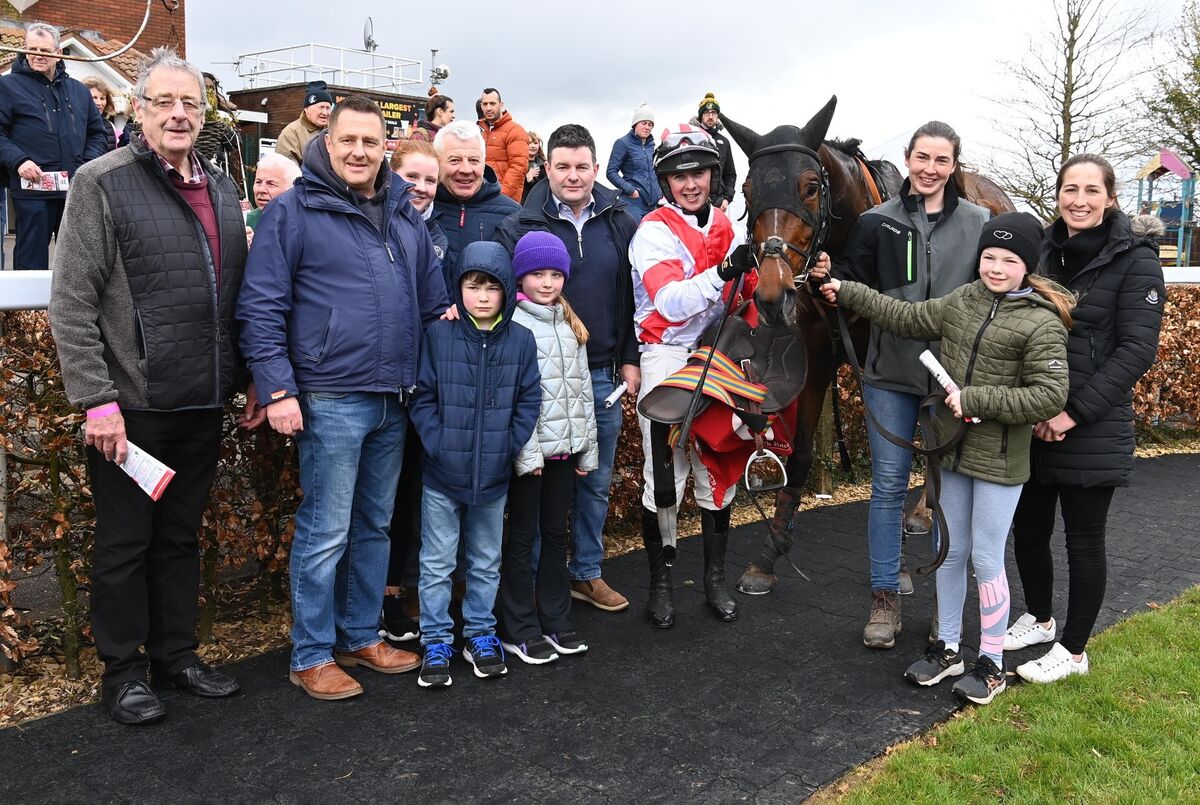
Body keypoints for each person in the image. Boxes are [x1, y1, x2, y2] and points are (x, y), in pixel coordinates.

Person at [48, 47, 252, 726]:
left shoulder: (220, 188)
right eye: (164, 101)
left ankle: (175, 656)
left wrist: (248, 378)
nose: (178, 114)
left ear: (205, 113)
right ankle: (123, 673)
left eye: (190, 102)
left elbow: (234, 296)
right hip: (131, 407)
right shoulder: (100, 181)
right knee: (125, 543)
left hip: (201, 400)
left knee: (180, 539)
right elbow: (72, 301)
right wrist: (96, 400)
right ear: (139, 110)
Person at [237, 95, 450, 701]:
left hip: (394, 397)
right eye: (347, 140)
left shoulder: (404, 214)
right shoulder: (294, 211)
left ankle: (359, 634)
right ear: (326, 143)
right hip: (329, 396)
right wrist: (278, 387)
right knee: (326, 529)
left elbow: (433, 302)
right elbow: (261, 305)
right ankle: (310, 653)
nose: (359, 151)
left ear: (386, 147)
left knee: (373, 526)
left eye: (370, 141)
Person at [821, 212, 1073, 705]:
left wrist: (975, 399)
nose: (996, 268)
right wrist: (847, 290)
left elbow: (1049, 395)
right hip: (952, 453)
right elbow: (906, 317)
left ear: (1027, 265)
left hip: (1000, 461)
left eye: (1009, 260)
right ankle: (949, 649)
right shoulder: (964, 300)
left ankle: (992, 663)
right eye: (988, 257)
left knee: (986, 558)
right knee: (950, 553)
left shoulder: (1042, 322)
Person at [821, 121, 991, 651]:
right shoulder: (876, 221)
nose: (930, 169)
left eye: (941, 160)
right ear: (908, 157)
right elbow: (851, 278)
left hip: (951, 382)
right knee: (889, 488)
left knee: (946, 494)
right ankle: (884, 598)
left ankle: (946, 607)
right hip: (889, 376)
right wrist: (829, 272)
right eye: (922, 158)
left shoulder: (979, 222)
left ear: (954, 164)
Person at [1005, 154, 1166, 684]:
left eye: (1092, 190)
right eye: (1070, 189)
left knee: (1083, 540)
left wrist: (1072, 413)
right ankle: (1040, 618)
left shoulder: (1137, 260)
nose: (1079, 200)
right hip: (1034, 419)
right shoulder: (1042, 251)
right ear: (1058, 195)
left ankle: (1074, 651)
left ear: (1111, 197)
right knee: (1028, 531)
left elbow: (1136, 349)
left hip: (1091, 425)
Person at [496, 123, 640, 613]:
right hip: (540, 380)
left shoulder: (621, 221)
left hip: (602, 375)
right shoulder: (521, 224)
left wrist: (629, 358)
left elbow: (632, 298)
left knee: (594, 483)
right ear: (547, 168)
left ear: (596, 168)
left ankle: (586, 572)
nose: (572, 176)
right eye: (562, 166)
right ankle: (544, 580)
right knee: (538, 486)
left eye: (581, 166)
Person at [630, 124, 756, 628]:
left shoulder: (730, 225)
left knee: (716, 467)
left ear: (712, 175)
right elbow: (670, 302)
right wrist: (725, 271)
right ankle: (661, 584)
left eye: (698, 172)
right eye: (679, 176)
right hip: (666, 355)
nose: (690, 183)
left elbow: (750, 295)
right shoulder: (652, 230)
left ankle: (714, 579)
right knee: (665, 475)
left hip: (717, 356)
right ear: (666, 181)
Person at [408, 241, 541, 688]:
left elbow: (529, 399)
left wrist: (508, 444)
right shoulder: (439, 335)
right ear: (458, 288)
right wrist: (438, 444)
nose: (482, 296)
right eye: (473, 286)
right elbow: (422, 397)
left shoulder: (521, 340)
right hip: (442, 475)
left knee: (485, 561)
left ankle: (481, 633)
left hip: (494, 476)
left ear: (506, 290)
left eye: (492, 287)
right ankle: (436, 639)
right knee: (437, 563)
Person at [499, 232, 598, 664]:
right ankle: (518, 626)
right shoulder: (514, 325)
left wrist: (587, 450)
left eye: (555, 274)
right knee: (522, 537)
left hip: (564, 454)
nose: (547, 282)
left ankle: (555, 618)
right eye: (538, 273)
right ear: (521, 277)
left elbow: (584, 392)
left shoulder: (570, 324)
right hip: (531, 458)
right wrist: (527, 454)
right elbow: (512, 399)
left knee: (557, 534)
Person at [379, 138, 447, 643]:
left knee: (412, 496)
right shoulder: (379, 222)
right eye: (412, 177)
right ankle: (377, 598)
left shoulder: (434, 233)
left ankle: (399, 593)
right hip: (382, 381)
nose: (421, 188)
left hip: (425, 384)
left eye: (430, 180)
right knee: (379, 501)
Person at [0, 23, 108, 270]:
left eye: (45, 50)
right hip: (32, 191)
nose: (38, 55)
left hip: (74, 191)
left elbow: (97, 134)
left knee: (77, 263)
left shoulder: (79, 91)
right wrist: (19, 160)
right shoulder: (7, 87)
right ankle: (28, 299)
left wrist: (84, 167)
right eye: (32, 49)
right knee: (30, 262)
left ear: (58, 53)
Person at [432, 120, 520, 280]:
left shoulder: (512, 215)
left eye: (474, 160)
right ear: (437, 162)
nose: (466, 169)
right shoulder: (422, 211)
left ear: (484, 164)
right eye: (454, 160)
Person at [607, 103, 661, 221]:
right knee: (633, 232)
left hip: (653, 205)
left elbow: (656, 170)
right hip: (633, 203)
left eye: (650, 124)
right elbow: (611, 172)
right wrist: (630, 190)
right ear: (635, 124)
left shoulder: (652, 145)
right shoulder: (622, 143)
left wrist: (660, 192)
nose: (647, 127)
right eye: (644, 123)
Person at [477, 87, 529, 202]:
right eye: (485, 104)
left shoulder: (515, 130)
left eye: (492, 103)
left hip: (504, 199)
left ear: (501, 105)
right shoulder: (481, 133)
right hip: (483, 197)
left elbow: (518, 168)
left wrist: (500, 195)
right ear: (481, 106)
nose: (488, 108)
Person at [692, 93, 736, 212]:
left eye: (714, 113)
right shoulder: (691, 137)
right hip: (694, 199)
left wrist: (727, 199)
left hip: (718, 203)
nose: (710, 116)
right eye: (707, 113)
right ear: (701, 116)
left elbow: (730, 174)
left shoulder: (724, 142)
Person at [275, 80, 332, 165]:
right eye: (321, 107)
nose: (325, 113)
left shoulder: (334, 130)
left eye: (328, 108)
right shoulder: (291, 133)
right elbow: (286, 169)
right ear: (306, 109)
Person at [245, 152, 301, 231]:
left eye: (271, 184)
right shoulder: (246, 222)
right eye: (258, 182)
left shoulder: (307, 223)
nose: (261, 190)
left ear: (291, 189)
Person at [81, 76, 119, 152]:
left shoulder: (110, 126)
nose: (99, 103)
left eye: (102, 98)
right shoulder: (74, 124)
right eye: (94, 97)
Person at [522, 130, 545, 201]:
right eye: (529, 143)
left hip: (538, 201)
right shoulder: (518, 163)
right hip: (522, 201)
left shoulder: (544, 164)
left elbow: (545, 187)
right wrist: (526, 179)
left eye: (535, 143)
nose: (532, 146)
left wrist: (531, 180)